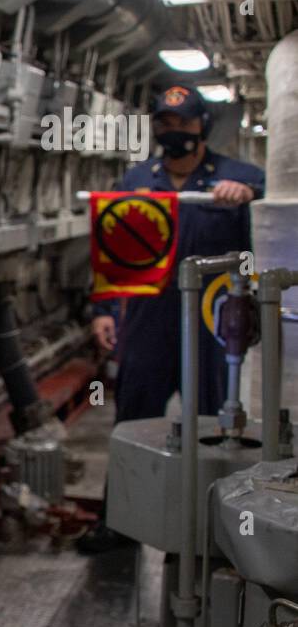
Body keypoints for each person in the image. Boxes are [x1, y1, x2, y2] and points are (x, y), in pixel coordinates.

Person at [81, 83, 265, 553]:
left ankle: (216, 525)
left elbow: (269, 221)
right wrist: (104, 310)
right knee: (132, 419)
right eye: (165, 122)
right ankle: (119, 523)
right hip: (147, 320)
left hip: (210, 321)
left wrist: (249, 195)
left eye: (183, 123)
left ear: (202, 126)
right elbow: (114, 250)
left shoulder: (237, 177)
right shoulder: (136, 181)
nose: (174, 130)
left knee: (213, 425)